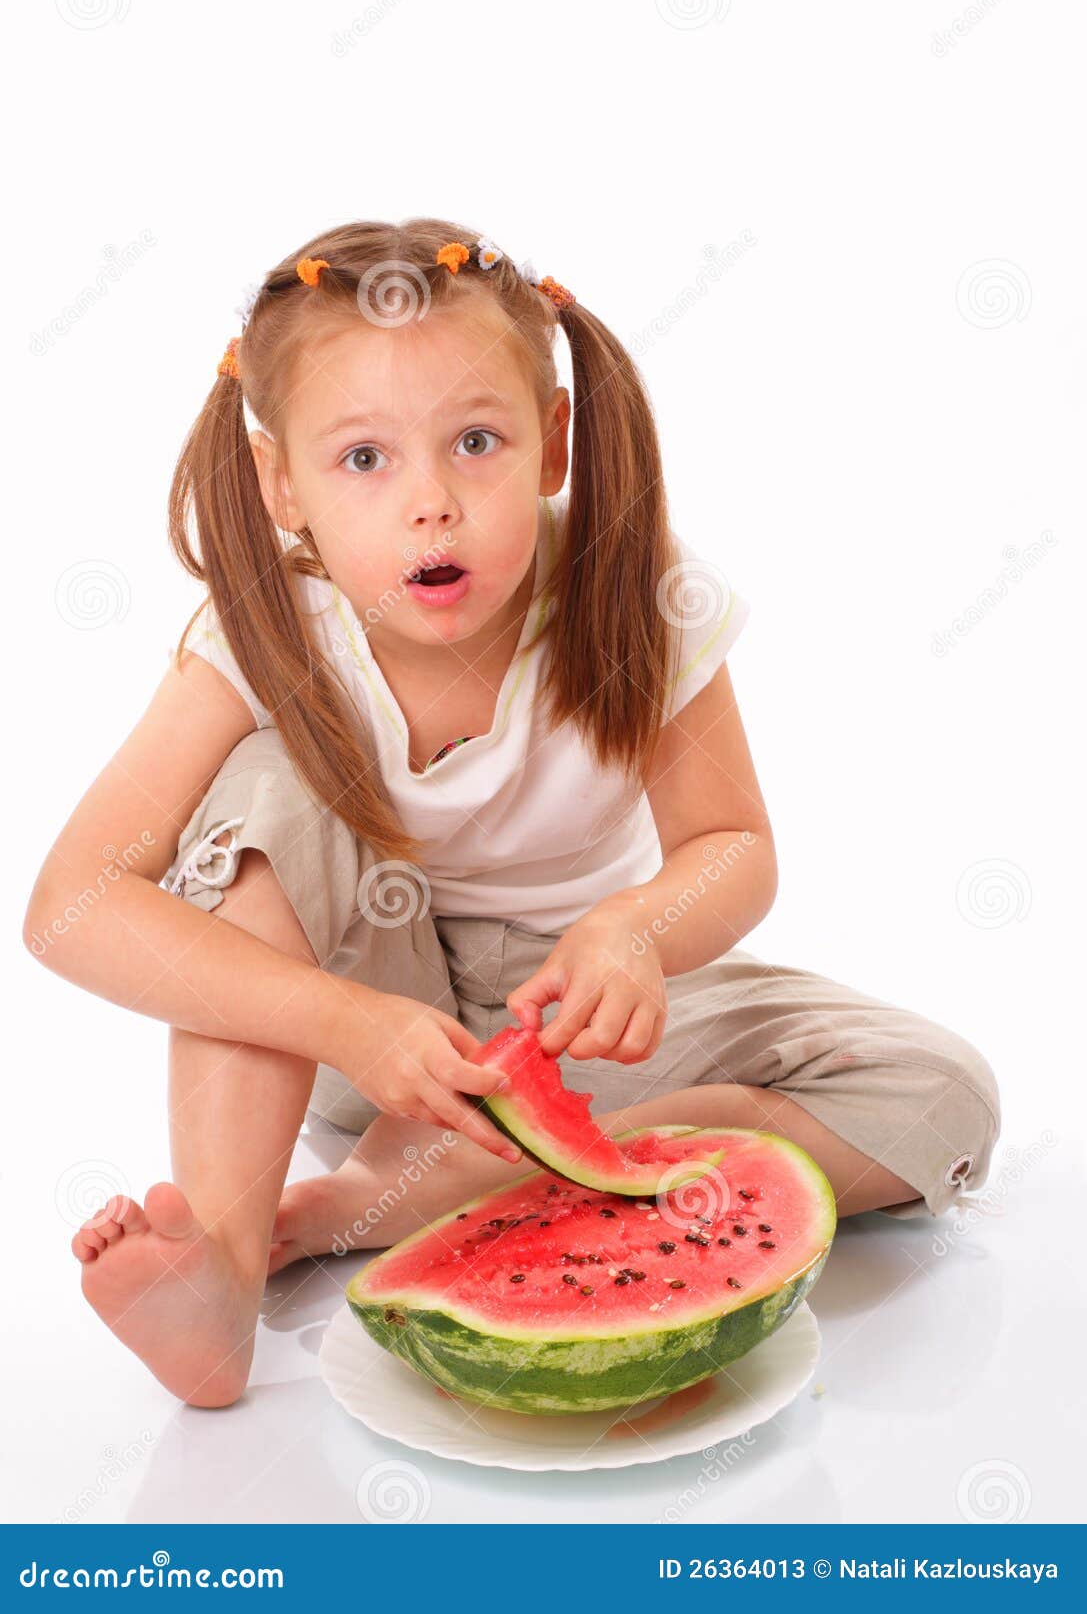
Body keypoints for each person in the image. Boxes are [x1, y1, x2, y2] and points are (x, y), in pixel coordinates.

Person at [24, 219, 1000, 1407]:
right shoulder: (270, 635)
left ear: (554, 441)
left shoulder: (636, 593)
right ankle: (224, 1269)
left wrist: (640, 927)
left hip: (579, 1011)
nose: (431, 505)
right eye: (365, 460)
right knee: (269, 789)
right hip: (365, 1027)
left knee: (943, 1092)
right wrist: (348, 1024)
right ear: (283, 482)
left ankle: (400, 1197)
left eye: (476, 441)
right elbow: (72, 903)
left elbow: (729, 845)